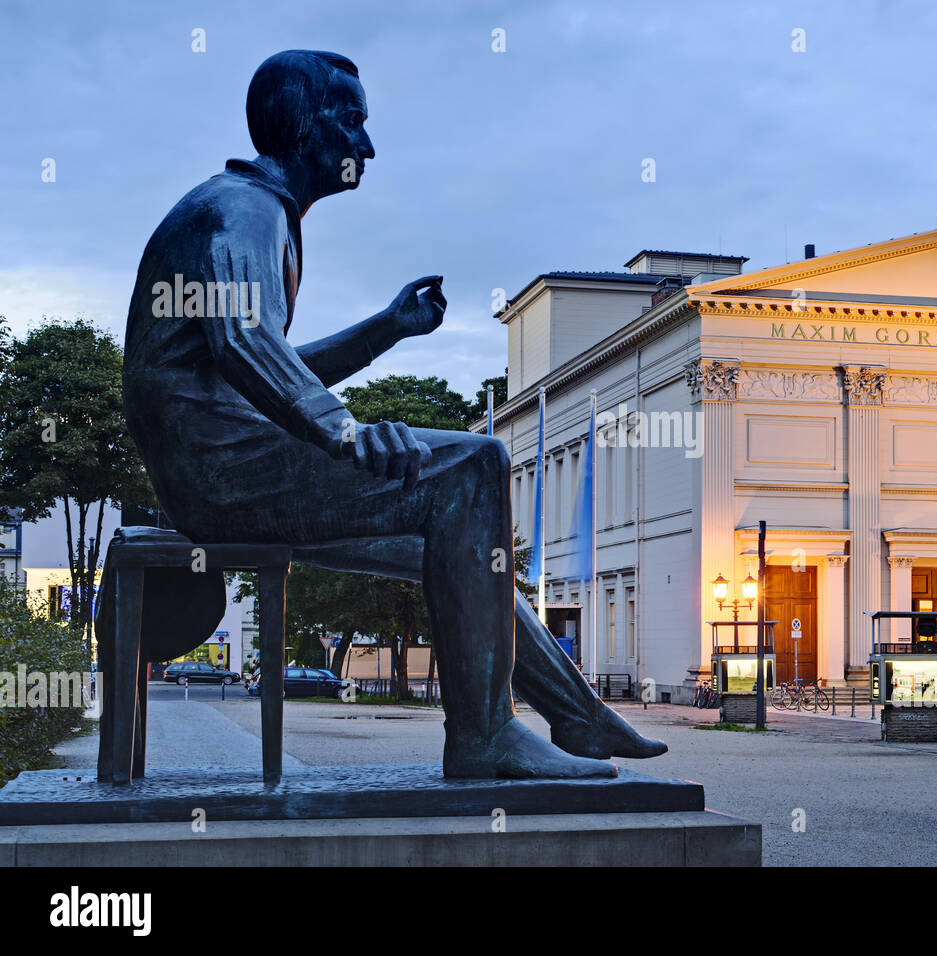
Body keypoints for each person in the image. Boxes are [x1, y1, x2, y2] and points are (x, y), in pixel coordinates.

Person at [121, 50, 665, 779]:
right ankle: (483, 738)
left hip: (227, 467)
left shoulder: (257, 213)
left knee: (455, 553)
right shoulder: (240, 211)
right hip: (222, 476)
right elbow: (246, 342)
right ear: (304, 128)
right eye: (352, 123)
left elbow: (260, 363)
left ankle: (577, 714)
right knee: (477, 465)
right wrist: (345, 431)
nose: (365, 146)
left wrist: (387, 327)